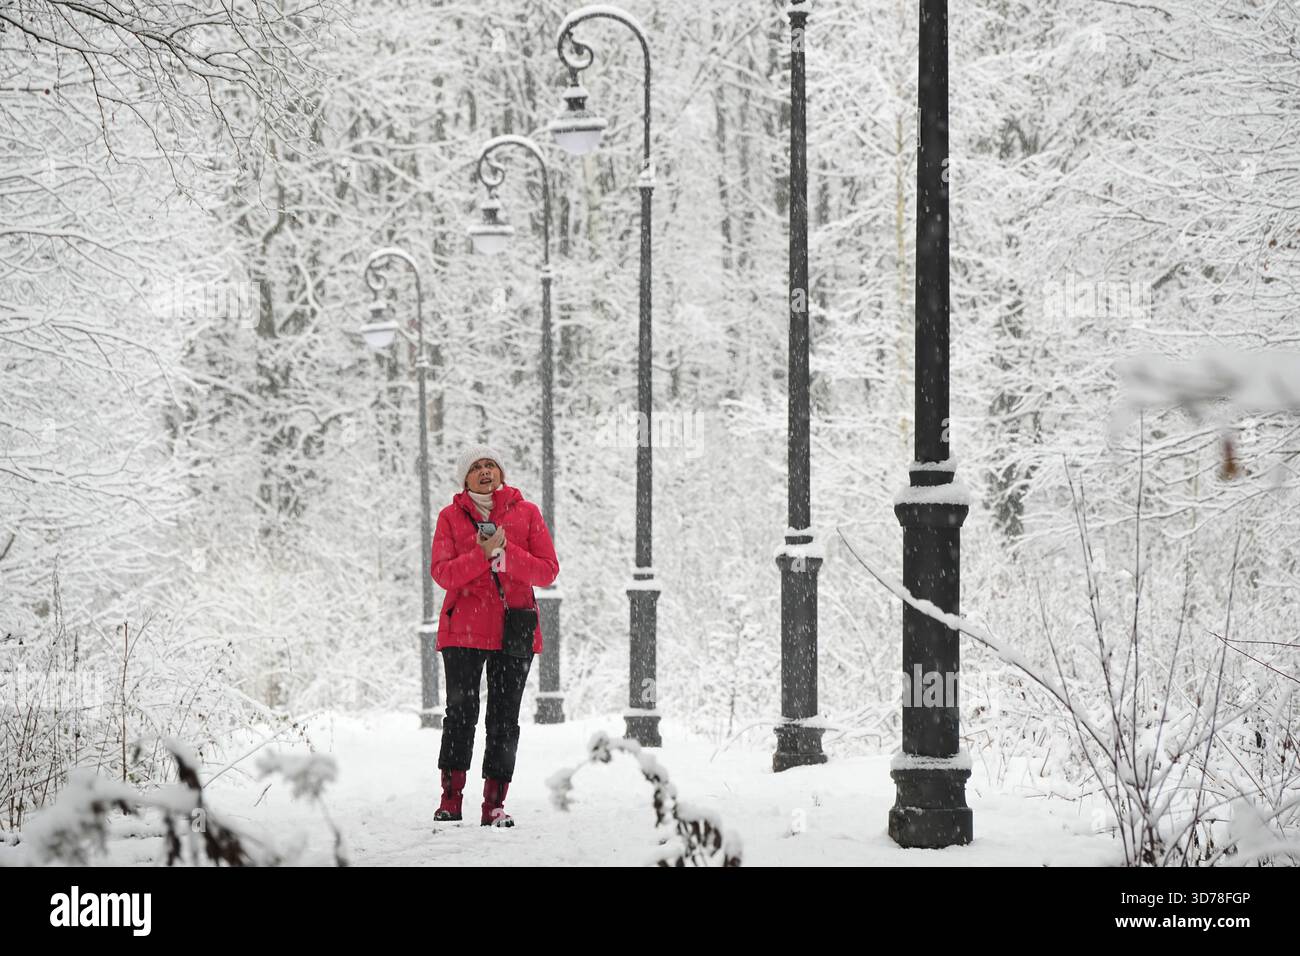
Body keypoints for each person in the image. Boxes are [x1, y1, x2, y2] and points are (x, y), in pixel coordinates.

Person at [429, 444, 558, 827]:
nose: (485, 471)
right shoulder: (450, 518)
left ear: (501, 473)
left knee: (504, 719)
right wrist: (482, 555)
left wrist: (506, 554)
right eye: (476, 467)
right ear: (465, 478)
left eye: (491, 465)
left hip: (512, 630)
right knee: (460, 715)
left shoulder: (527, 513)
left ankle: (494, 805)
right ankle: (450, 799)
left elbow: (548, 571)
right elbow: (442, 574)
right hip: (462, 630)